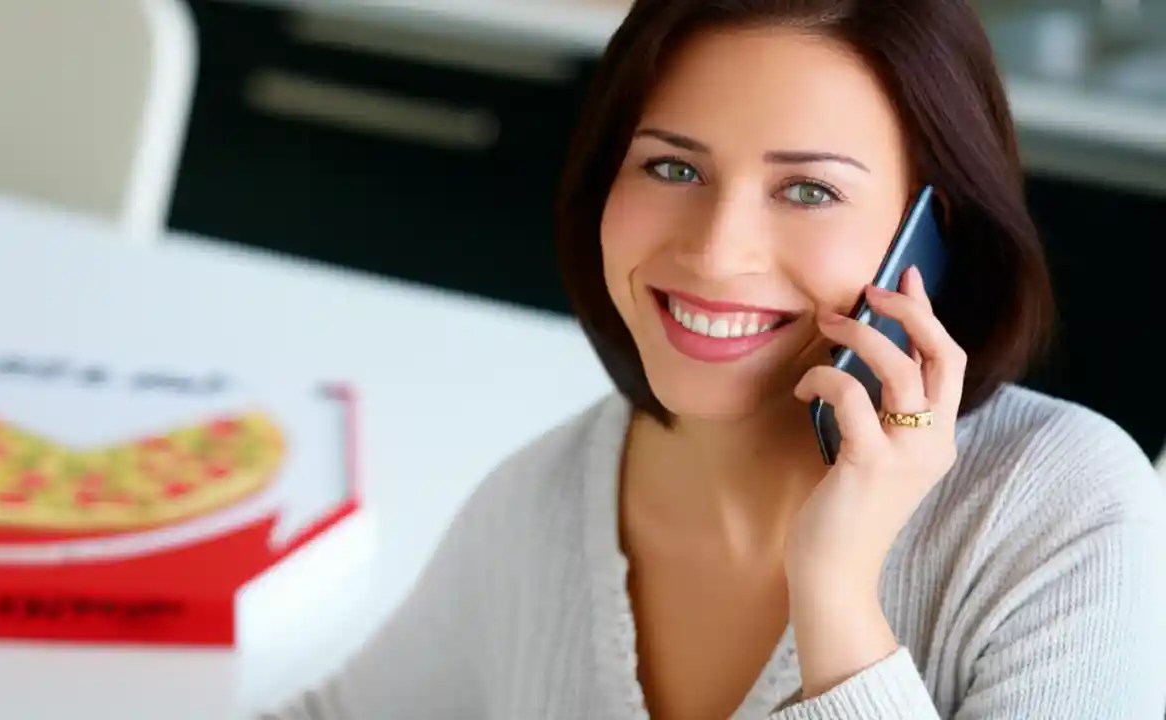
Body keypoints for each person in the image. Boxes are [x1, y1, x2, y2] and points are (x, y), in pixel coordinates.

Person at [264, 1, 1166, 717]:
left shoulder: (1062, 514)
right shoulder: (542, 504)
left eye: (808, 190)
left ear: (928, 240)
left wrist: (838, 596)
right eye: (671, 168)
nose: (717, 251)